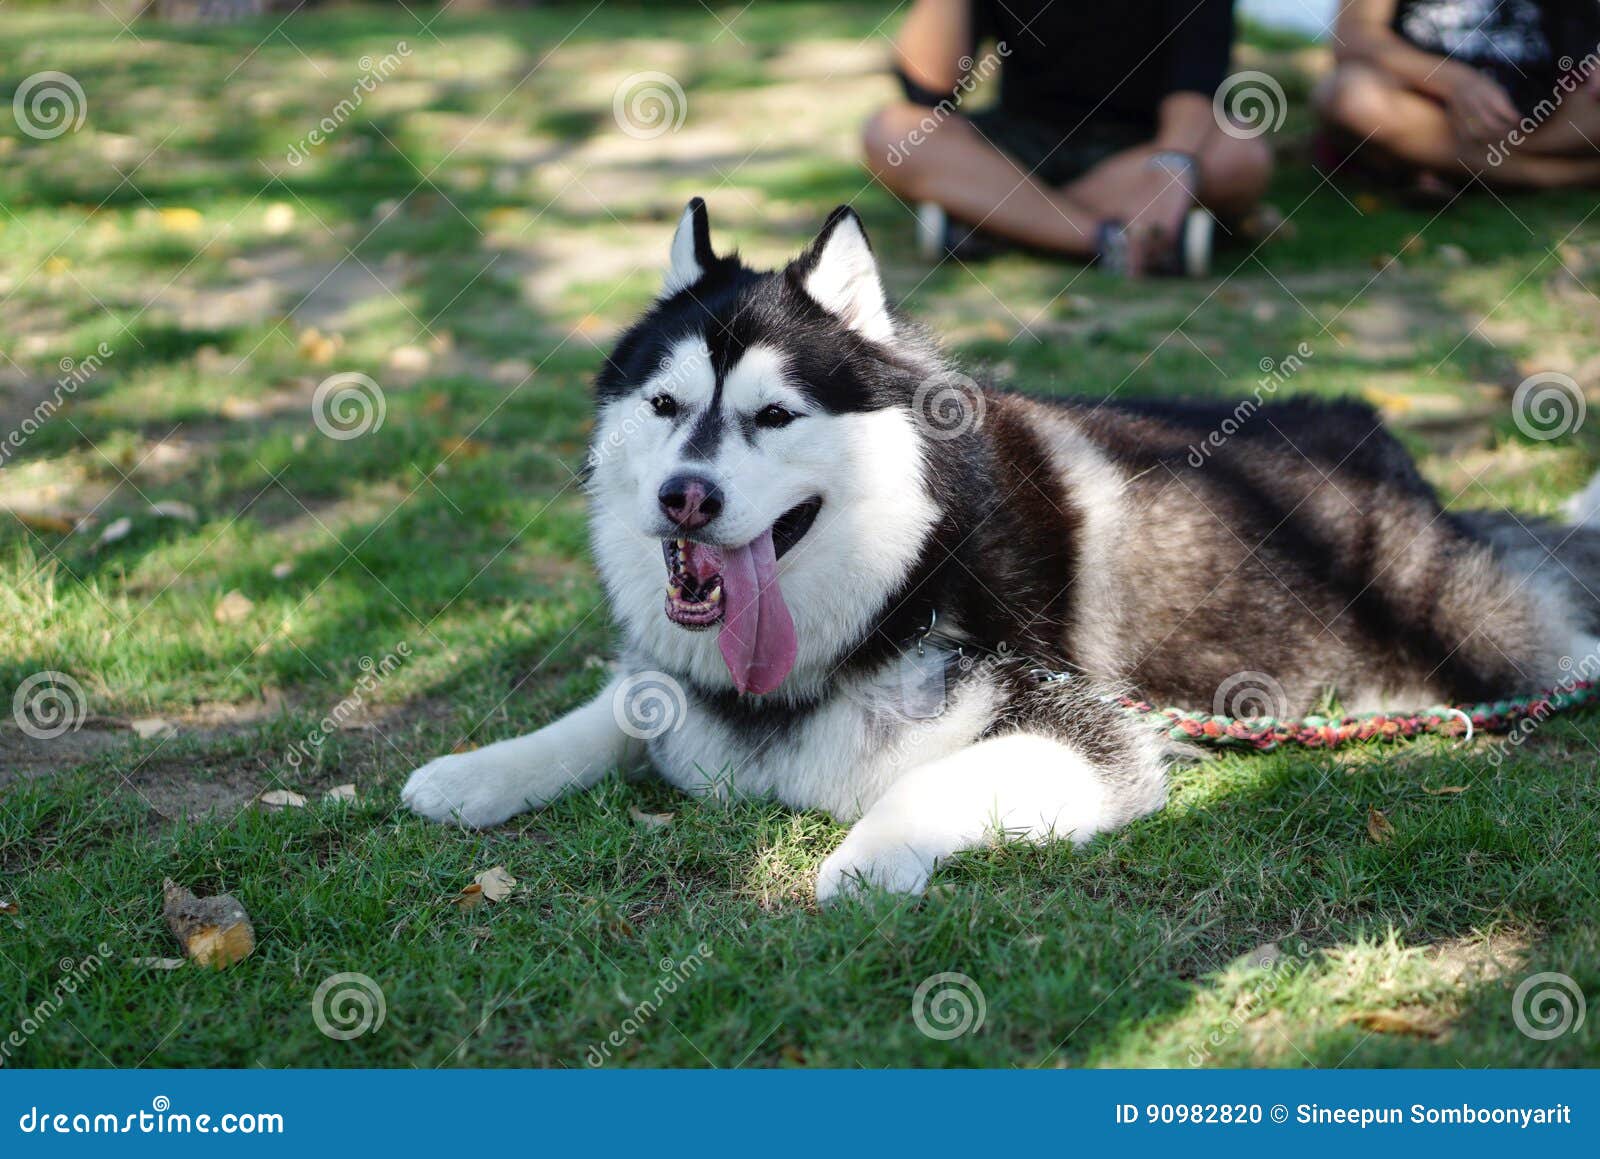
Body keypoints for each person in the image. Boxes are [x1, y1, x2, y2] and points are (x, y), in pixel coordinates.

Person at [862, 0, 1273, 276]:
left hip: (1139, 149)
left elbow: (1196, 82)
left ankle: (994, 223)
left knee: (1240, 153)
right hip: (1019, 146)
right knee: (891, 133)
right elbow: (929, 89)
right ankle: (1105, 239)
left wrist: (1171, 165)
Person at [1316, 0, 1600, 191]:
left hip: (1543, 112)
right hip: (1427, 111)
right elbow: (1355, 37)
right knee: (1352, 98)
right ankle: (1569, 175)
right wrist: (1456, 82)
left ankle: (1439, 164)